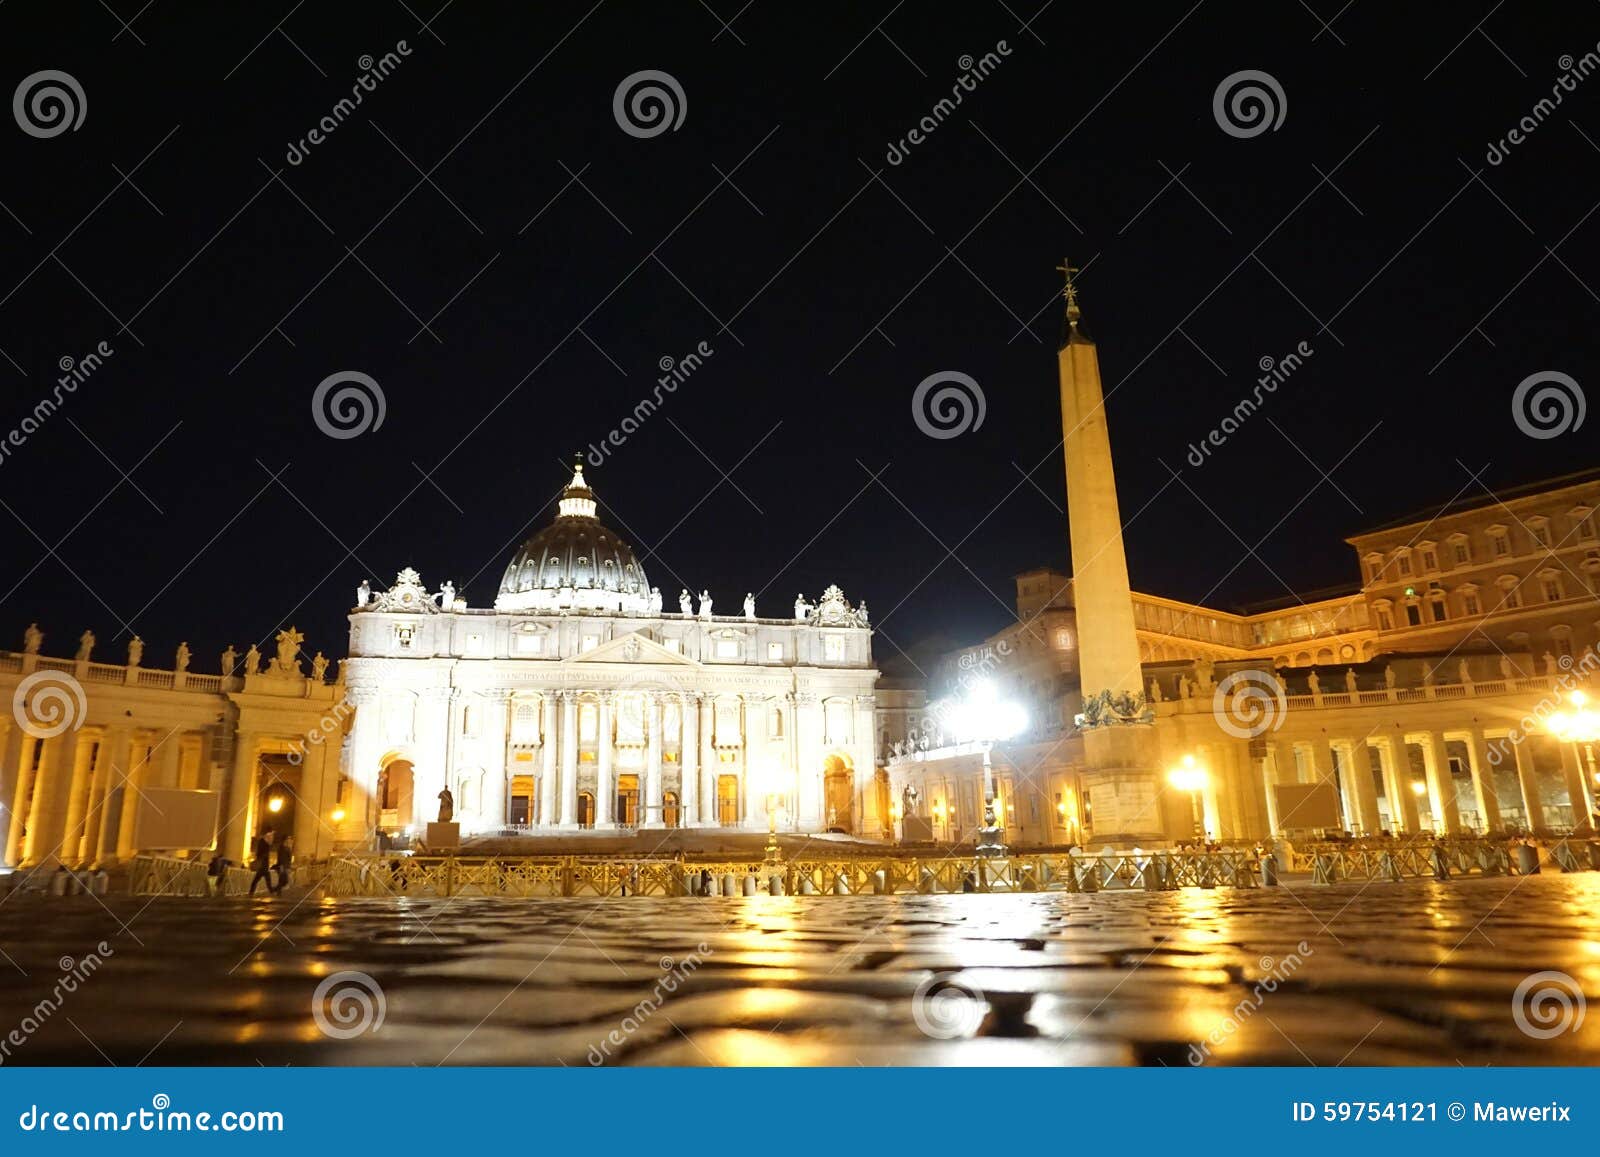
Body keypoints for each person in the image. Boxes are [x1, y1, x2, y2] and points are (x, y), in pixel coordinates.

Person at [248, 830, 275, 896]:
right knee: (260, 879)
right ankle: (271, 891)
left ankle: (251, 892)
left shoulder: (264, 843)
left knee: (260, 879)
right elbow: (261, 854)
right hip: (262, 865)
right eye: (269, 837)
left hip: (263, 865)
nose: (270, 838)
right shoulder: (263, 843)